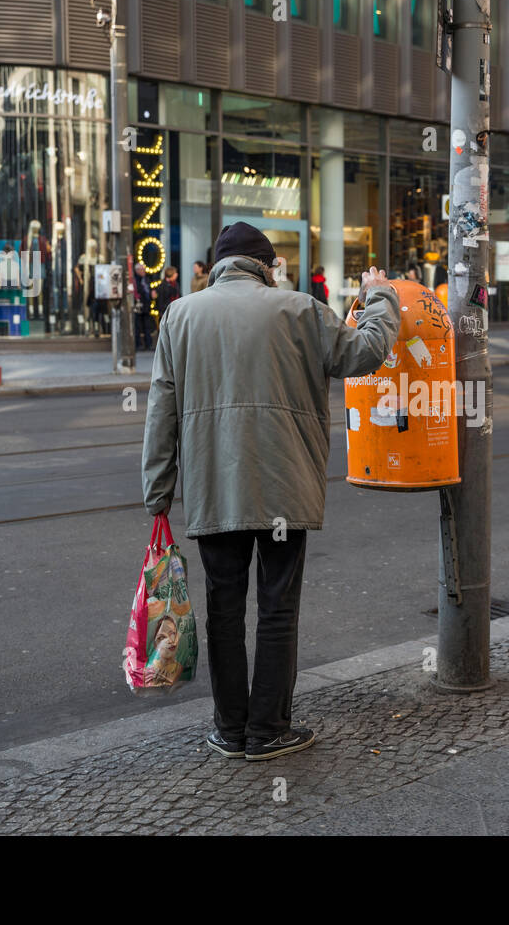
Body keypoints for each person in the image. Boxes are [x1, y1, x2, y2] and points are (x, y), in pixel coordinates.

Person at [141, 221, 399, 762]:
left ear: (217, 265)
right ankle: (269, 731)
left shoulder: (180, 315)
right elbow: (367, 353)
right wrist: (380, 296)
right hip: (285, 486)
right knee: (277, 609)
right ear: (266, 264)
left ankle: (230, 731)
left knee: (224, 610)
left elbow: (161, 410)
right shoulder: (301, 309)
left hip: (215, 489)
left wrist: (158, 492)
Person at [133, 261, 153, 351]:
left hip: (146, 305)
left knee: (147, 326)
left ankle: (148, 344)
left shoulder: (146, 279)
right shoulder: (134, 280)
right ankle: (138, 344)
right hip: (138, 305)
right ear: (137, 270)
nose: (143, 271)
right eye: (141, 270)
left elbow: (149, 289)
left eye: (144, 269)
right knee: (137, 326)